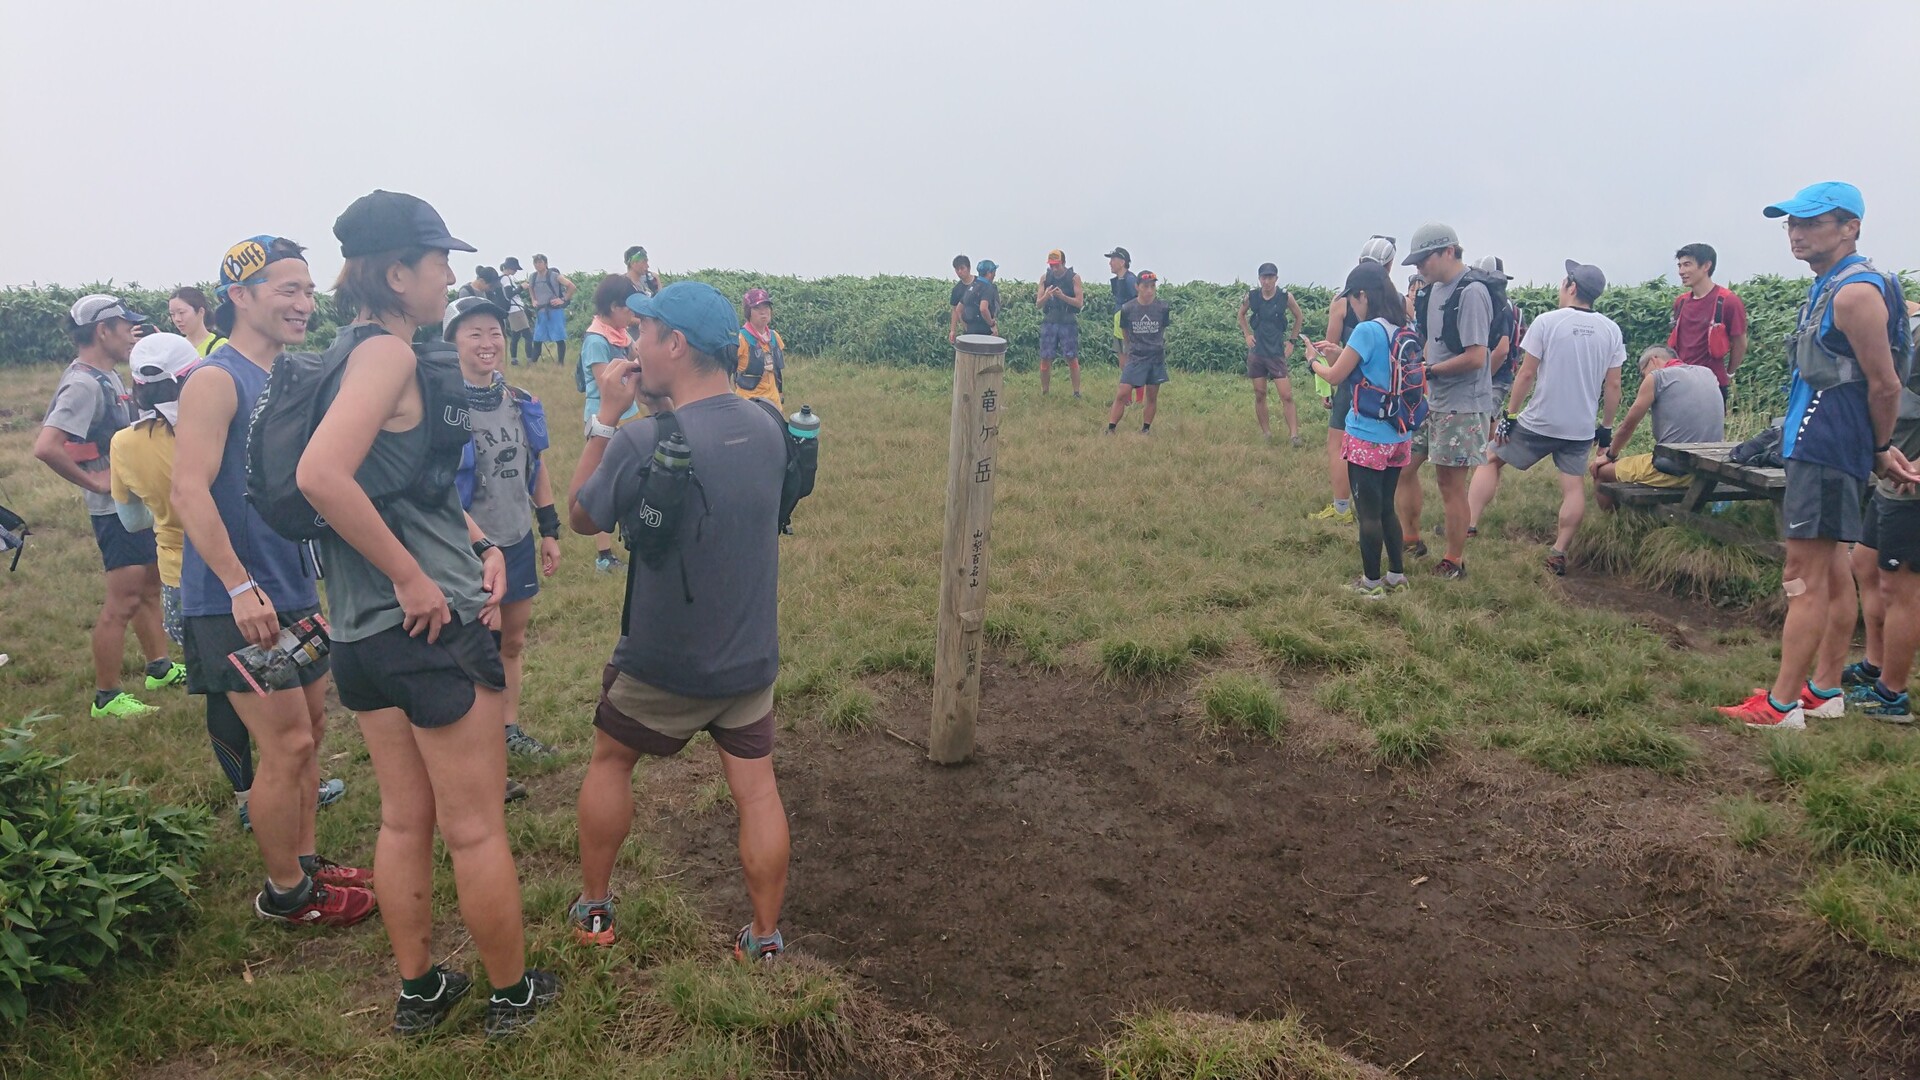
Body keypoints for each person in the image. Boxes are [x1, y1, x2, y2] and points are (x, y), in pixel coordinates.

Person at [297, 191, 555, 1036]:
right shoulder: (387, 361)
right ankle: (512, 996)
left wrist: (470, 537)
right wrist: (414, 577)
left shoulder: (340, 354)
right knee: (476, 829)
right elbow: (322, 477)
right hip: (429, 629)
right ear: (397, 273)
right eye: (438, 261)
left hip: (361, 637)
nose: (450, 276)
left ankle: (420, 992)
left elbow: (403, 485)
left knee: (403, 817)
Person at [567, 281, 791, 963]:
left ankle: (597, 909)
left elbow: (582, 516)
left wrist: (607, 418)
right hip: (749, 656)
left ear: (675, 344)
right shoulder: (769, 427)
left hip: (664, 660)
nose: (631, 345)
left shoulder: (642, 440)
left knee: (611, 761)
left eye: (642, 332)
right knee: (757, 792)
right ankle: (765, 938)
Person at [171, 235, 371, 926]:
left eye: (309, 290)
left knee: (311, 732)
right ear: (240, 295)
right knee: (283, 744)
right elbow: (187, 491)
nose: (303, 303)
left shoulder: (292, 375)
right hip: (236, 603)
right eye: (288, 289)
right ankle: (284, 892)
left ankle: (308, 862)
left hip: (293, 589)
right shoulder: (215, 380)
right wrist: (236, 584)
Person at [1718, 182, 1920, 729]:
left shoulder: (1854, 293)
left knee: (1800, 575)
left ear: (1851, 227)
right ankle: (1824, 690)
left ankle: (1781, 705)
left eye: (1811, 223)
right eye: (1791, 224)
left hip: (1828, 446)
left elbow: (1885, 385)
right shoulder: (1831, 286)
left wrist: (1879, 449)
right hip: (1821, 445)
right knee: (1831, 571)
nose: (1797, 234)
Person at [32, 294, 180, 719]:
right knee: (122, 602)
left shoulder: (107, 375)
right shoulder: (82, 383)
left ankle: (159, 667)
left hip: (131, 506)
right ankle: (107, 697)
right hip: (113, 512)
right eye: (124, 326)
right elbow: (47, 446)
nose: (132, 334)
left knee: (149, 588)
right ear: (103, 331)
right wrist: (95, 481)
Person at [445, 296, 562, 760]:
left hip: (517, 540)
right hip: (467, 548)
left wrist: (549, 530)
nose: (487, 342)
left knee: (511, 641)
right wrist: (479, 546)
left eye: (494, 332)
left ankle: (508, 730)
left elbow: (537, 469)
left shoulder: (519, 401)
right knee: (477, 645)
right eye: (473, 333)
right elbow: (438, 491)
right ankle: (474, 738)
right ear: (452, 341)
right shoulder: (443, 407)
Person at [1467, 261, 1625, 576]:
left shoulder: (1548, 322)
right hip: (1579, 427)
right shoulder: (1611, 329)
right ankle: (1558, 552)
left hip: (1540, 420)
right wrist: (1605, 428)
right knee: (1572, 487)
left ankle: (1468, 525)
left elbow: (1526, 373)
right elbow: (1614, 385)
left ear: (1572, 287)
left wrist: (1510, 415)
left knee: (1490, 458)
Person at [1309, 262, 1412, 598]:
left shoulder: (1367, 331)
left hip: (1368, 436)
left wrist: (1313, 360)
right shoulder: (1401, 327)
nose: (1351, 307)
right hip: (1399, 435)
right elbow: (1373, 367)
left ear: (1363, 295)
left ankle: (1370, 584)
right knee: (1386, 508)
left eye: (1352, 300)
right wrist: (1340, 354)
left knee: (1367, 512)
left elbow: (1334, 376)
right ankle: (1397, 575)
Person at [1399, 224, 1493, 579]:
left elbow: (1476, 357)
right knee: (1404, 467)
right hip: (1433, 399)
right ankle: (1410, 539)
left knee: (1449, 484)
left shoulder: (1471, 293)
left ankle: (1454, 561)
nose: (1419, 267)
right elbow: (1431, 343)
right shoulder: (1434, 291)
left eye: (1424, 259)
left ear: (1449, 251)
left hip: (1463, 404)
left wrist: (1430, 371)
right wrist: (1420, 369)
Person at [1847, 301, 1920, 722]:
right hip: (1891, 481)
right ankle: (1875, 666)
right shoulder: (1900, 329)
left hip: (1912, 489)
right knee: (1865, 564)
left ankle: (1893, 694)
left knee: (1900, 588)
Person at [1311, 236, 1397, 524]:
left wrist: (1324, 384)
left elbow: (1328, 349)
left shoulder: (1340, 302)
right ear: (1389, 265)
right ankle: (1383, 510)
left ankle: (1341, 509)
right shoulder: (1401, 305)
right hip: (1391, 392)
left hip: (1351, 384)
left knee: (1337, 445)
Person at [1591, 346, 1725, 506]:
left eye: (1643, 373)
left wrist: (1609, 456)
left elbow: (1628, 426)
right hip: (1709, 468)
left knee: (1601, 472)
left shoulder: (1657, 377)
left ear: (1653, 360)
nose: (1643, 378)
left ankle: (1613, 523)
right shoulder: (1707, 373)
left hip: (1677, 469)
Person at [581, 275, 641, 574]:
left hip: (626, 414)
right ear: (614, 307)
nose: (632, 316)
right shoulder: (596, 339)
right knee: (601, 486)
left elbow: (636, 354)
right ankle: (603, 555)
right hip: (604, 418)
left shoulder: (620, 333)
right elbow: (608, 382)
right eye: (629, 310)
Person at [1669, 243, 1750, 408]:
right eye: (1679, 266)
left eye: (1687, 264)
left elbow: (1740, 342)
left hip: (1712, 384)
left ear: (1706, 266)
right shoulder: (1681, 302)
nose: (1681, 271)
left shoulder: (1728, 301)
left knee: (1710, 434)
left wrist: (1729, 373)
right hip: (1680, 382)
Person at [1239, 261, 1304, 444]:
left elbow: (1299, 316)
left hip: (1276, 352)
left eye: (1270, 277)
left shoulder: (1285, 297)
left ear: (1276, 278)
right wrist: (1247, 334)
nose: (1267, 281)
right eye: (1264, 277)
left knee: (1286, 395)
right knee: (1260, 393)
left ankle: (1294, 435)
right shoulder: (1251, 297)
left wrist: (1292, 341)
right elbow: (1241, 315)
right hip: (1257, 352)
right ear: (1259, 279)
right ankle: (1266, 433)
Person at [1107, 271, 1169, 434]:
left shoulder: (1163, 307)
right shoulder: (1127, 309)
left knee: (1152, 396)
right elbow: (1125, 333)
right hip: (1135, 356)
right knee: (1123, 392)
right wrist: (1133, 348)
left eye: (1153, 286)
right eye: (1145, 286)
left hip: (1156, 357)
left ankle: (1146, 428)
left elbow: (1162, 329)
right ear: (1137, 287)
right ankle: (1111, 428)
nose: (1149, 290)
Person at [1475, 256, 1523, 405]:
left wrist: (1482, 380)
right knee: (1488, 422)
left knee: (1484, 423)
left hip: (1494, 376)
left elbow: (1502, 350)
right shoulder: (1506, 304)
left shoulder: (1500, 306)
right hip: (1501, 375)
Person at [1036, 249, 1084, 397]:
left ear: (1063, 263)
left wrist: (1062, 296)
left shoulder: (1074, 278)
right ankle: (1045, 392)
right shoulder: (1045, 278)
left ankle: (1076, 392)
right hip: (1049, 321)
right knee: (1045, 358)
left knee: (1071, 357)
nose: (1054, 268)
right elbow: (1038, 304)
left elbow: (1079, 303)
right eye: (1052, 265)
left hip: (1068, 322)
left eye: (1057, 265)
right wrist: (1047, 295)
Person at [736, 288, 786, 408]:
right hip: (749, 402)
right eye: (757, 308)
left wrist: (780, 392)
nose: (763, 312)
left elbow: (777, 371)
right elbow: (727, 369)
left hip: (774, 402)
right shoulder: (741, 339)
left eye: (766, 307)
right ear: (748, 312)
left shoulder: (774, 337)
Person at [1106, 247, 1142, 404]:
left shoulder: (1130, 280)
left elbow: (1138, 302)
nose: (1110, 263)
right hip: (1119, 325)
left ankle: (1139, 399)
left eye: (1113, 259)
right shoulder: (1118, 281)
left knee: (1134, 362)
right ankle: (1127, 398)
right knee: (1123, 363)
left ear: (1122, 262)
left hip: (1130, 326)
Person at [528, 254, 575, 366]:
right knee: (538, 338)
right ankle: (532, 363)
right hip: (541, 311)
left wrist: (563, 299)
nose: (537, 265)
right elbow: (530, 288)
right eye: (535, 262)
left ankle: (560, 363)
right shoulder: (533, 277)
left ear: (546, 263)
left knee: (559, 337)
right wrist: (533, 300)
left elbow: (571, 286)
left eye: (540, 262)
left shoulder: (554, 275)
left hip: (554, 310)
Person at [167, 287, 228, 357]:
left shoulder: (221, 345)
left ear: (201, 311)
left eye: (181, 312)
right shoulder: (174, 349)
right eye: (172, 314)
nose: (177, 319)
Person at [498, 257, 533, 365]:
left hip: (514, 310)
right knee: (528, 335)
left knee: (515, 335)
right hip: (515, 310)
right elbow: (509, 295)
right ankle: (530, 360)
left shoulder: (505, 278)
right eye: (515, 268)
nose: (516, 271)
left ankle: (514, 359)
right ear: (510, 268)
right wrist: (521, 287)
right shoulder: (506, 279)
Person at [961, 260, 1001, 337]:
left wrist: (966, 328)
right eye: (994, 272)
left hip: (970, 331)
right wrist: (992, 325)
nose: (995, 274)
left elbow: (959, 309)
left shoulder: (972, 285)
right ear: (989, 273)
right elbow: (983, 308)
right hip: (984, 332)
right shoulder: (988, 287)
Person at [947, 255, 974, 344]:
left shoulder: (980, 284)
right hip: (967, 328)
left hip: (983, 326)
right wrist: (953, 330)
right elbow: (955, 310)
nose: (960, 272)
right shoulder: (956, 290)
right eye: (957, 269)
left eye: (962, 268)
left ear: (969, 268)